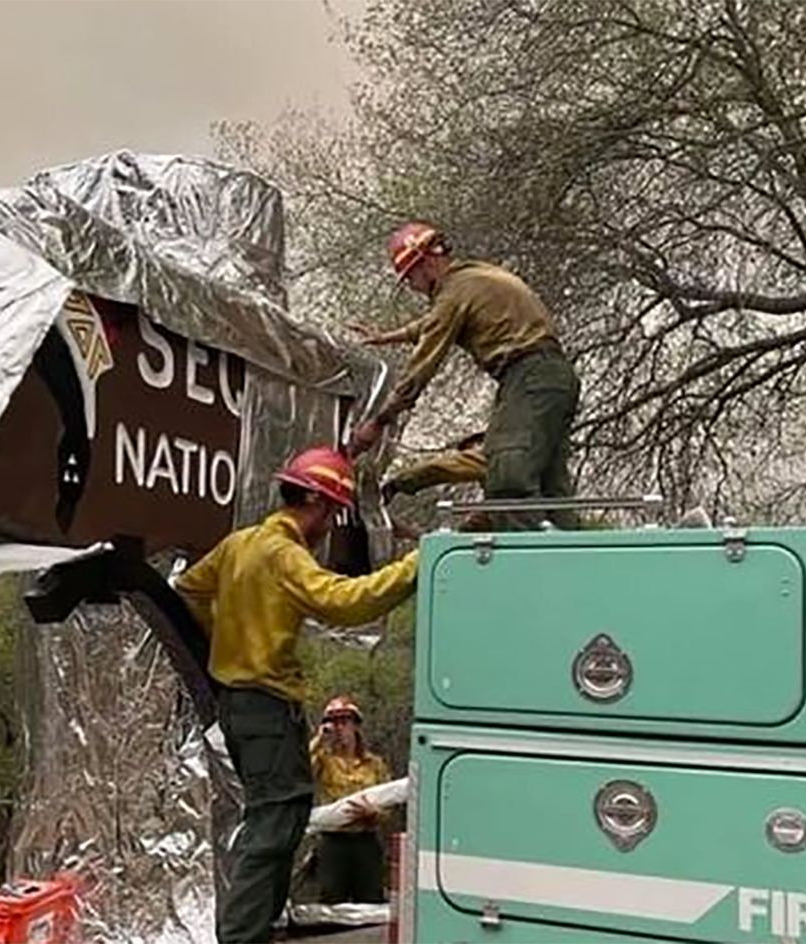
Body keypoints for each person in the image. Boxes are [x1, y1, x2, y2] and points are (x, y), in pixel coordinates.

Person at [174, 446, 418, 944]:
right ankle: (243, 936)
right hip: (265, 705)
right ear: (314, 503)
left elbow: (191, 589)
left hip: (240, 705)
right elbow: (345, 602)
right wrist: (419, 563)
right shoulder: (283, 554)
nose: (328, 526)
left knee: (280, 817)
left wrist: (224, 640)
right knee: (273, 822)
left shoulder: (238, 544)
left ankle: (255, 929)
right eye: (330, 511)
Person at [348, 221, 581, 530]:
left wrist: (378, 423)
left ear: (426, 263)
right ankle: (571, 554)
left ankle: (531, 569)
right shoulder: (473, 278)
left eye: (411, 278)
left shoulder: (454, 292)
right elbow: (432, 324)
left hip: (529, 377)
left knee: (506, 478)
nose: (413, 287)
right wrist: (388, 337)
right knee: (551, 488)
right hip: (553, 379)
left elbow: (422, 367)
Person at [309, 696, 391, 904]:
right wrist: (320, 739)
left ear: (355, 725)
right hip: (333, 843)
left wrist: (374, 814)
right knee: (332, 901)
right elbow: (299, 773)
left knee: (370, 900)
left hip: (366, 841)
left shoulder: (374, 764)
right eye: (334, 723)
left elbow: (389, 804)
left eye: (344, 722)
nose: (339, 728)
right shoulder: (323, 761)